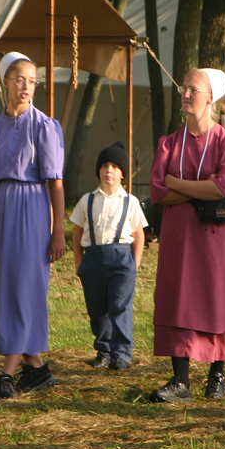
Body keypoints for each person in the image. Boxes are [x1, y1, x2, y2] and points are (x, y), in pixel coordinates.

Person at [148, 68, 225, 403]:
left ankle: (217, 375)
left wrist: (178, 184)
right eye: (183, 88)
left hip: (215, 239)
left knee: (217, 297)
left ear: (211, 98)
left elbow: (223, 186)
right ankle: (180, 381)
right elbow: (158, 192)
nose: (186, 94)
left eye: (193, 89)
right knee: (179, 297)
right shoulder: (170, 143)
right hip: (179, 238)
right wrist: (198, 189)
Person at [0, 52, 66, 400]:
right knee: (0, 288)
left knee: (24, 288)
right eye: (20, 79)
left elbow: (55, 182)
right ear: (5, 83)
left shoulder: (44, 126)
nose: (26, 87)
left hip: (31, 209)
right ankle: (37, 369)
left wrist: (57, 230)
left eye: (32, 81)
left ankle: (7, 374)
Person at [70, 141, 148, 371]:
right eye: (104, 165)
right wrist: (79, 263)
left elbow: (139, 235)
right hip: (93, 259)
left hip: (122, 259)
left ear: (122, 173)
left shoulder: (130, 202)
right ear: (99, 171)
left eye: (114, 166)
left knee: (120, 306)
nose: (109, 170)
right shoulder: (87, 200)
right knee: (97, 309)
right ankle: (103, 350)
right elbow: (77, 233)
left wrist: (135, 263)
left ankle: (121, 353)